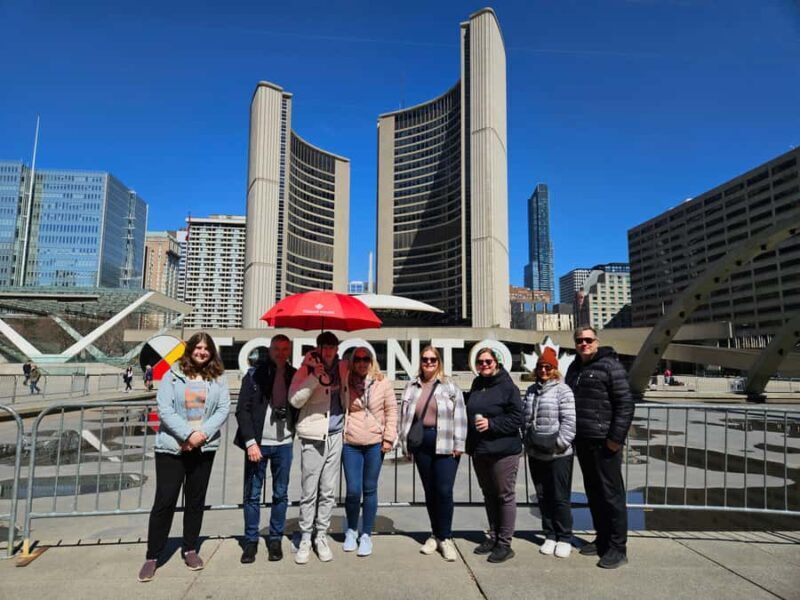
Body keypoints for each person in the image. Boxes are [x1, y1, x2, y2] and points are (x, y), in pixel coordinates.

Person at [137, 332, 230, 583]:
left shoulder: (218, 377)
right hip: (173, 448)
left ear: (211, 352)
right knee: (165, 501)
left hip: (204, 447)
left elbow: (223, 408)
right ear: (190, 350)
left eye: (206, 348)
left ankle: (190, 549)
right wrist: (188, 435)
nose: (202, 352)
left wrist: (202, 435)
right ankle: (152, 555)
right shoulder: (173, 374)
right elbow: (164, 409)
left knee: (195, 501)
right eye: (198, 347)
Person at [565, 326, 634, 569]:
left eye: (588, 340)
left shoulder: (610, 366)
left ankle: (618, 547)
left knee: (612, 494)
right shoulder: (575, 368)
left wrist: (615, 438)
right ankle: (602, 538)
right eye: (580, 340)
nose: (584, 344)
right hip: (583, 440)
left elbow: (625, 403)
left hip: (605, 442)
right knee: (593, 492)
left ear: (596, 341)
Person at [398, 345, 466, 562]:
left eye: (433, 360)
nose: (429, 363)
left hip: (446, 442)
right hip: (421, 444)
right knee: (429, 491)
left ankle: (445, 537)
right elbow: (404, 417)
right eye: (425, 359)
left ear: (439, 362)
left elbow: (460, 415)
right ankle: (435, 534)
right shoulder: (411, 386)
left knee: (444, 490)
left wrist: (460, 443)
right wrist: (405, 445)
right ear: (420, 362)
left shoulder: (449, 386)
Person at [234, 334, 297, 564]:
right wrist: (250, 442)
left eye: (284, 349)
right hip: (258, 445)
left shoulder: (295, 374)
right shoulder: (254, 375)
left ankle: (275, 539)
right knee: (252, 494)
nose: (280, 353)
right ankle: (250, 541)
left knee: (280, 494)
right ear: (269, 350)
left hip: (284, 443)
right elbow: (242, 410)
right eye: (276, 348)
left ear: (289, 351)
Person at [289, 331, 349, 564]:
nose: (329, 351)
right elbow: (295, 400)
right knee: (309, 490)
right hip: (313, 435)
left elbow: (364, 371)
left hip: (336, 434)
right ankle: (305, 536)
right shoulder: (306, 368)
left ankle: (321, 535)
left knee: (328, 490)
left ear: (337, 349)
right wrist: (314, 376)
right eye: (324, 347)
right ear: (318, 348)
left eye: (332, 347)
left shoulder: (343, 367)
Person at [465, 348, 523, 563]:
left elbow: (518, 417)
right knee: (489, 494)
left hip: (503, 451)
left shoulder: (508, 387)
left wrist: (492, 424)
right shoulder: (477, 384)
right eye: (480, 362)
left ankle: (505, 543)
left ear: (496, 362)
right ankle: (494, 535)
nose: (484, 365)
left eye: (488, 361)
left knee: (504, 495)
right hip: (481, 450)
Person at [341, 347, 397, 557]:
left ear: (372, 361)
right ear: (352, 361)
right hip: (351, 443)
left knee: (370, 489)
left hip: (375, 443)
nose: (362, 363)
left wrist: (389, 437)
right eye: (358, 359)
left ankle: (366, 534)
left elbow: (391, 410)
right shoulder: (345, 381)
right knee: (353, 490)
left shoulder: (382, 382)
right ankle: (351, 530)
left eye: (366, 359)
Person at [523, 347, 576, 559]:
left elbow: (569, 421)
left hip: (558, 454)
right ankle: (550, 534)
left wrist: (560, 444)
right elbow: (526, 420)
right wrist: (528, 442)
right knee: (543, 495)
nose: (543, 370)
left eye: (547, 367)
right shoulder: (531, 391)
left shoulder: (563, 391)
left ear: (554, 369)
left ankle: (565, 537)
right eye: (540, 367)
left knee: (560, 497)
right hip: (536, 453)